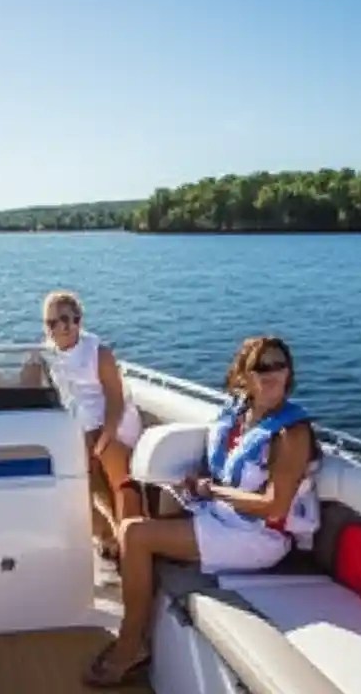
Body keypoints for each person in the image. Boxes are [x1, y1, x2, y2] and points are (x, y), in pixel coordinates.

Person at [82, 336, 324, 687]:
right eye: (262, 367)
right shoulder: (241, 416)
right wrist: (199, 485)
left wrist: (213, 491)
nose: (272, 374)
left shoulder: (291, 433)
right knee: (141, 517)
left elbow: (276, 505)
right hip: (223, 518)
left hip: (259, 536)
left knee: (135, 534)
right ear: (244, 377)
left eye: (279, 366)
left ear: (289, 373)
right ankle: (138, 633)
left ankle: (129, 645)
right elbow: (229, 473)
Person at [33, 291, 144, 564]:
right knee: (71, 474)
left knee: (109, 465)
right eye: (52, 323)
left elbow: (115, 399)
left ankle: (132, 544)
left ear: (78, 321)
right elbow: (29, 385)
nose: (61, 327)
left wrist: (105, 438)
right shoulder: (44, 355)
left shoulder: (98, 352)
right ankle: (106, 534)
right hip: (79, 423)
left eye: (67, 319)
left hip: (113, 421)